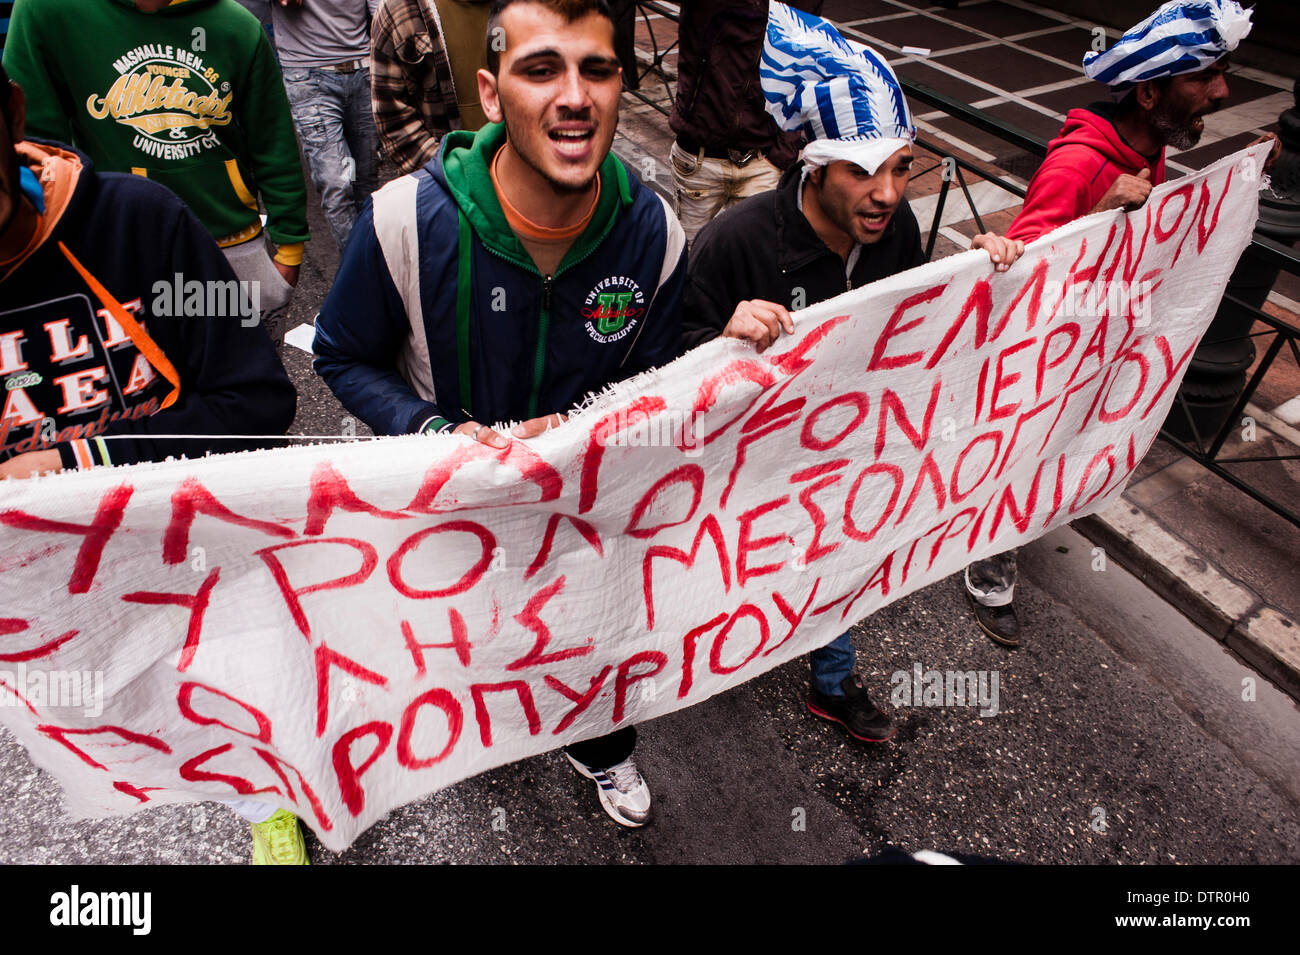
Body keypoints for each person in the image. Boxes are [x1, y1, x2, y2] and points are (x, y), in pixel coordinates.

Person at [315, 0, 685, 827]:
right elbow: (341, 353)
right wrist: (434, 433)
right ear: (489, 93)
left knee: (592, 656)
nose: (574, 96)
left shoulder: (655, 233)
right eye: (541, 68)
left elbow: (660, 386)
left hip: (586, 528)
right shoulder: (405, 219)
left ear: (622, 84)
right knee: (469, 652)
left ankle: (602, 752)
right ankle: (477, 731)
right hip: (457, 522)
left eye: (596, 69)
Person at [683, 3, 1023, 741]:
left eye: (901, 168)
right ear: (813, 163)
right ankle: (706, 649)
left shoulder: (894, 229)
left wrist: (982, 272)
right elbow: (657, 364)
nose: (888, 193)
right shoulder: (733, 243)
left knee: (837, 564)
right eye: (862, 171)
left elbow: (920, 317)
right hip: (744, 472)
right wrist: (720, 333)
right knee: (730, 576)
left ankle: (832, 682)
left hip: (839, 455)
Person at [0, 65, 303, 862]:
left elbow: (258, 406)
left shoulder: (141, 224)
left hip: (196, 567)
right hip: (46, 606)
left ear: (9, 112)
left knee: (243, 703)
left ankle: (268, 797)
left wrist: (74, 461)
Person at [966, 0, 1280, 649]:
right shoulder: (1081, 163)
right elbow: (1021, 271)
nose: (1222, 92)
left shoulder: (1146, 149)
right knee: (1019, 457)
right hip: (1041, 359)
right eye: (1206, 77)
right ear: (1147, 92)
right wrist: (1102, 211)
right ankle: (988, 565)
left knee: (1046, 452)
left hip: (1090, 345)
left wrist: (1241, 175)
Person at [3, 0, 310, 320]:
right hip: (118, 250)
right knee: (143, 367)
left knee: (244, 365)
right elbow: (35, 149)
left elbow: (272, 139)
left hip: (229, 245)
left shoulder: (236, 25)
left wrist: (289, 248)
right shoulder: (49, 10)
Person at [668, 0, 823, 243]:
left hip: (763, 163)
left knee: (747, 265)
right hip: (700, 157)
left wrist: (783, 152)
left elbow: (803, 66)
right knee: (688, 262)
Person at [271, 0, 380, 251]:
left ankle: (370, 270)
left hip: (364, 69)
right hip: (309, 75)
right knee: (336, 183)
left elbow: (381, 13)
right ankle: (366, 273)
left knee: (365, 183)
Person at [370, 0, 492, 174]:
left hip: (523, 178)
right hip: (449, 181)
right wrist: (453, 175)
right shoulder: (401, 7)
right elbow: (392, 118)